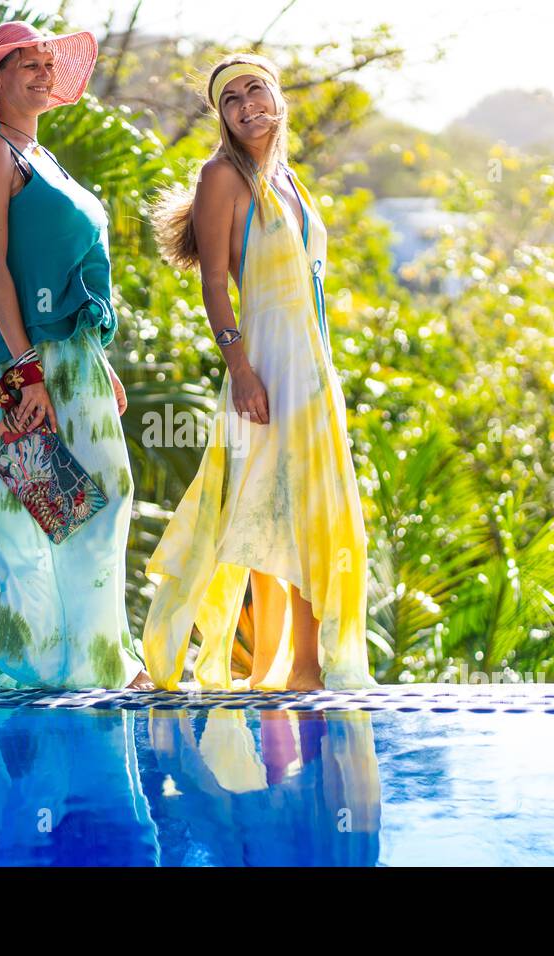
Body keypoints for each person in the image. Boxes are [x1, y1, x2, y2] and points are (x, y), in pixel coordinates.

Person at [143, 54, 374, 691]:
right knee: (253, 513)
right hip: (264, 369)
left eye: (255, 90)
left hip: (311, 370)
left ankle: (306, 666)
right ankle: (226, 658)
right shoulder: (222, 176)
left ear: (277, 97)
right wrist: (240, 369)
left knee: (309, 514)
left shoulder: (292, 181)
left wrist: (324, 373)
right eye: (231, 99)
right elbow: (214, 281)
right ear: (221, 117)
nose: (246, 105)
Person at [0, 20, 152, 689]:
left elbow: (67, 273)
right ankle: (42, 674)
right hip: (20, 369)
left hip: (76, 363)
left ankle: (95, 664)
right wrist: (25, 373)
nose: (41, 72)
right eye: (25, 64)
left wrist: (99, 363)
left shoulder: (46, 159)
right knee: (37, 520)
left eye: (46, 63)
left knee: (104, 499)